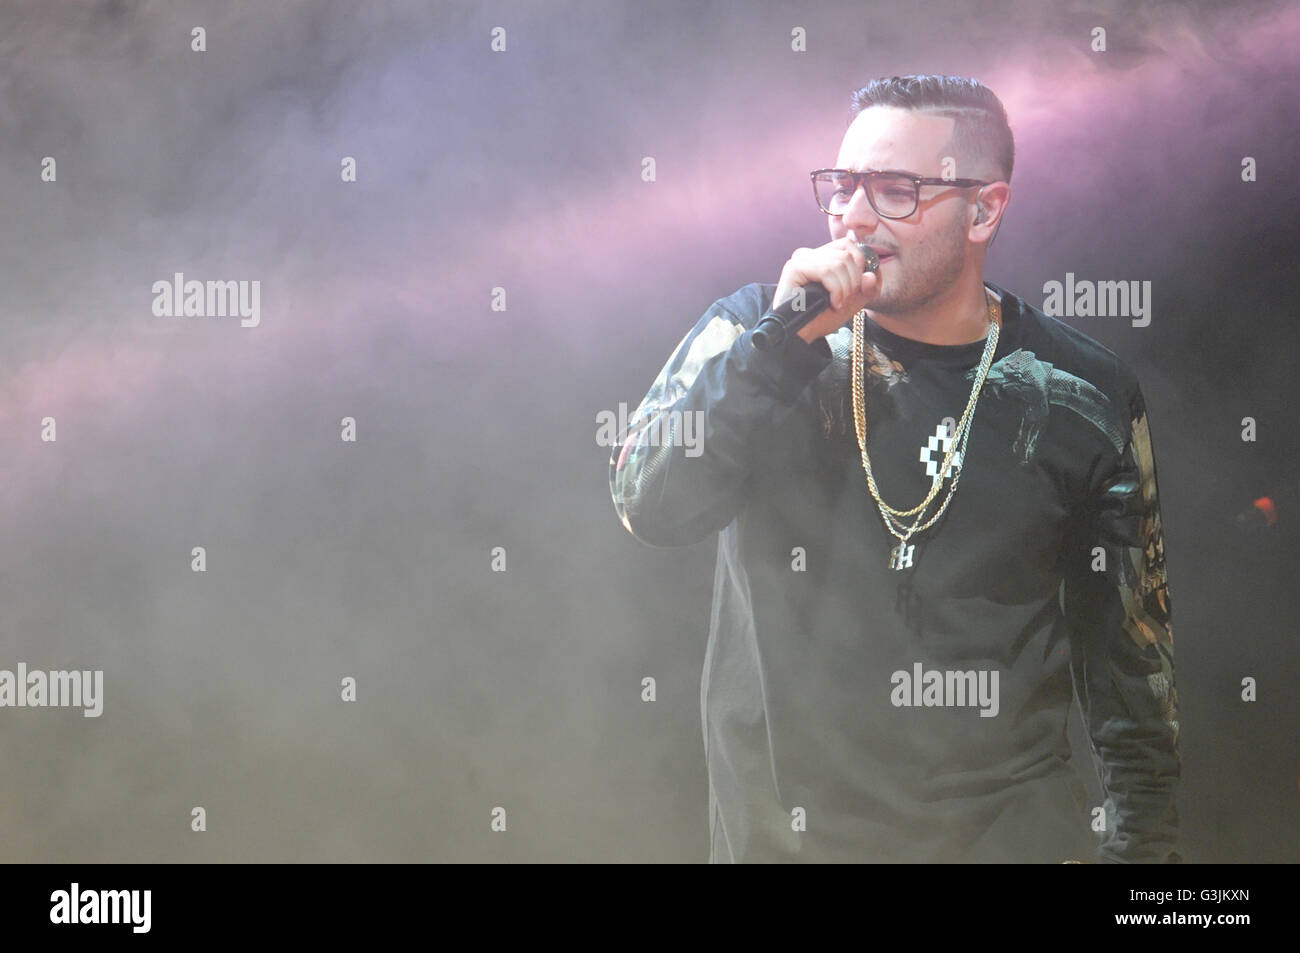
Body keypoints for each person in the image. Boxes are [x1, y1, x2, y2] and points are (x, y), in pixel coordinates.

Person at [608, 75, 1180, 863]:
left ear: (984, 210)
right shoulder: (753, 336)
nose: (853, 216)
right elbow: (649, 504)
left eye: (896, 191)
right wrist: (779, 344)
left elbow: (1134, 670)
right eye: (843, 186)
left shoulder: (1079, 393)